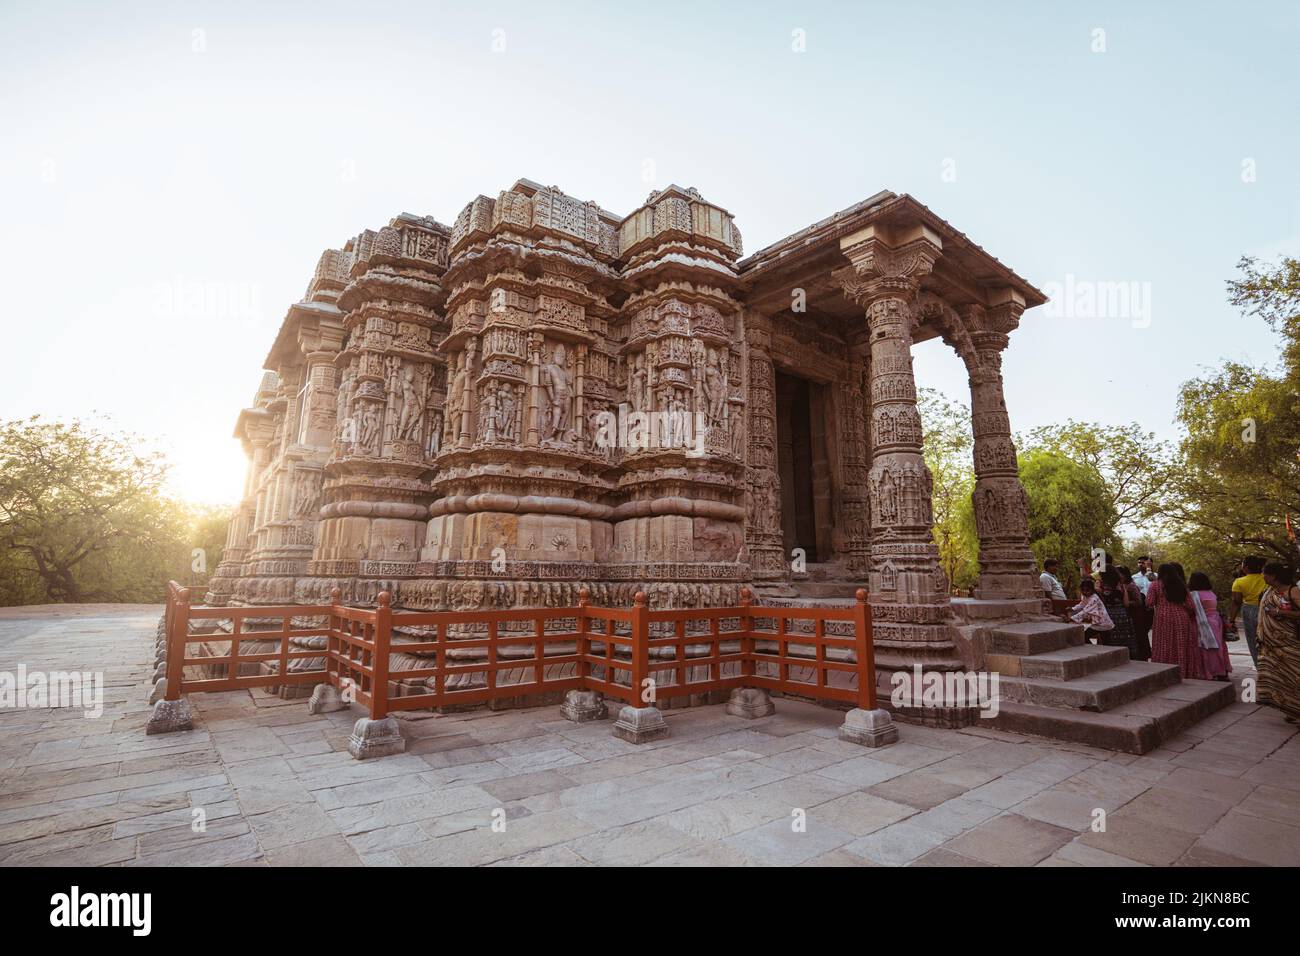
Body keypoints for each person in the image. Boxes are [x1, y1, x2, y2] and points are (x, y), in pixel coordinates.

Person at [1147, 562, 1207, 679]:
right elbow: (1191, 606)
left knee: (1163, 644)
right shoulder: (1181, 586)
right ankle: (1183, 672)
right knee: (1181, 645)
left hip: (1163, 619)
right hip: (1181, 617)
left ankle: (1163, 672)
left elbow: (1149, 602)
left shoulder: (1155, 585)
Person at [1257, 562, 1300, 723]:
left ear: (1273, 576)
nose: (1262, 576)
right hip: (1270, 644)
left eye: (1264, 573)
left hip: (1289, 643)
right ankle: (1292, 709)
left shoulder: (1292, 591)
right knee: (1281, 679)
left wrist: (1279, 612)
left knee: (1295, 677)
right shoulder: (1269, 591)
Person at [1188, 571, 1231, 681]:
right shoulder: (1211, 593)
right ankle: (1222, 670)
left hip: (1201, 623)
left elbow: (1191, 610)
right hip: (1216, 622)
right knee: (1218, 647)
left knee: (1204, 648)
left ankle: (1207, 671)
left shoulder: (1193, 595)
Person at [1226, 556, 1267, 665]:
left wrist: (1231, 620)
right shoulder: (1267, 578)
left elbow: (1236, 602)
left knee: (1253, 641)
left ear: (1246, 567)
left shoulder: (1239, 582)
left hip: (1249, 611)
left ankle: (1259, 666)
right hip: (1266, 610)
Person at [1098, 569, 1138, 658]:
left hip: (1109, 616)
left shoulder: (1101, 587)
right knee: (1123, 641)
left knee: (1110, 642)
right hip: (1122, 616)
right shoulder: (1121, 586)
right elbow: (1126, 604)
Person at [1116, 566, 1152, 660]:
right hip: (1127, 617)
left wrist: (1126, 603)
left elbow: (1138, 601)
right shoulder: (1119, 585)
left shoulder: (1131, 586)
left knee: (1138, 638)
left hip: (1135, 617)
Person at [1064, 577, 1114, 643]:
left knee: (1105, 642)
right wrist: (1073, 609)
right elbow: (1082, 604)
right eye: (1083, 590)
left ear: (1092, 590)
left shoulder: (1094, 599)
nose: (1084, 592)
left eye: (1087, 590)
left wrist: (1072, 618)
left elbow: (1085, 611)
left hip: (1103, 623)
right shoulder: (1086, 597)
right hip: (1097, 623)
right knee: (1085, 636)